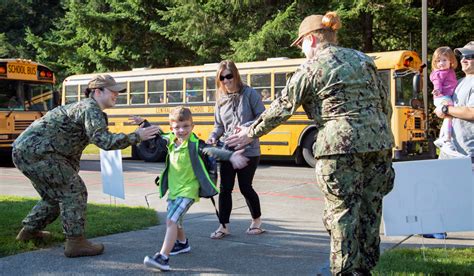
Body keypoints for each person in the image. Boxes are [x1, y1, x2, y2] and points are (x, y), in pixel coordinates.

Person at [226, 12, 395, 275]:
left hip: (339, 148)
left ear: (311, 39)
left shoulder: (312, 66)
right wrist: (383, 136)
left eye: (302, 44)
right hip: (379, 145)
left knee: (342, 213)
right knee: (370, 210)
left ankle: (345, 271)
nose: (303, 50)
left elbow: (283, 107)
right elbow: (385, 104)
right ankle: (365, 269)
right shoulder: (364, 60)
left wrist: (251, 132)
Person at [12, 74, 160, 258]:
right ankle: (76, 243)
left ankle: (28, 233)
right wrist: (137, 136)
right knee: (74, 191)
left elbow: (74, 141)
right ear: (97, 91)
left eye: (117, 92)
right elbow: (104, 141)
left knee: (54, 197)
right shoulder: (90, 108)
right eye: (112, 91)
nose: (117, 95)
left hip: (28, 151)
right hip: (38, 152)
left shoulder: (87, 108)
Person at [142, 106, 248, 271]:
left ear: (192, 126)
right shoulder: (170, 140)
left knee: (171, 220)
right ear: (172, 128)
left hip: (188, 191)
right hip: (174, 190)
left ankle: (163, 258)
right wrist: (144, 123)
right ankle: (183, 244)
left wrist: (231, 156)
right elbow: (157, 135)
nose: (181, 130)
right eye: (177, 127)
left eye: (185, 126)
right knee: (177, 222)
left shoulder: (195, 144)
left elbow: (211, 150)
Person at [206, 60, 266, 239]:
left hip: (249, 149)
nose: (226, 81)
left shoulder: (249, 94)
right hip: (227, 150)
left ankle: (256, 221)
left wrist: (246, 128)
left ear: (236, 75)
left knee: (246, 187)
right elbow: (218, 125)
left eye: (229, 76)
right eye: (222, 78)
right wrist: (213, 136)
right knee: (225, 188)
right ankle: (223, 226)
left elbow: (263, 116)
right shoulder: (220, 99)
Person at [429, 41, 474, 239]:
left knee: (462, 191)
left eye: (470, 56)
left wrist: (446, 110)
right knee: (442, 185)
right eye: (463, 56)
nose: (464, 59)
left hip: (467, 148)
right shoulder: (462, 81)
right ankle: (436, 225)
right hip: (452, 146)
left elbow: (471, 112)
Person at [430, 46, 458, 151]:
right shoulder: (438, 73)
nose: (441, 63)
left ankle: (442, 138)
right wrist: (437, 90)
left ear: (451, 60)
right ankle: (446, 139)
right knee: (449, 115)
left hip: (446, 96)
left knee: (447, 118)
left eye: (444, 60)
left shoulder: (450, 71)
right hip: (442, 97)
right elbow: (437, 83)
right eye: (438, 61)